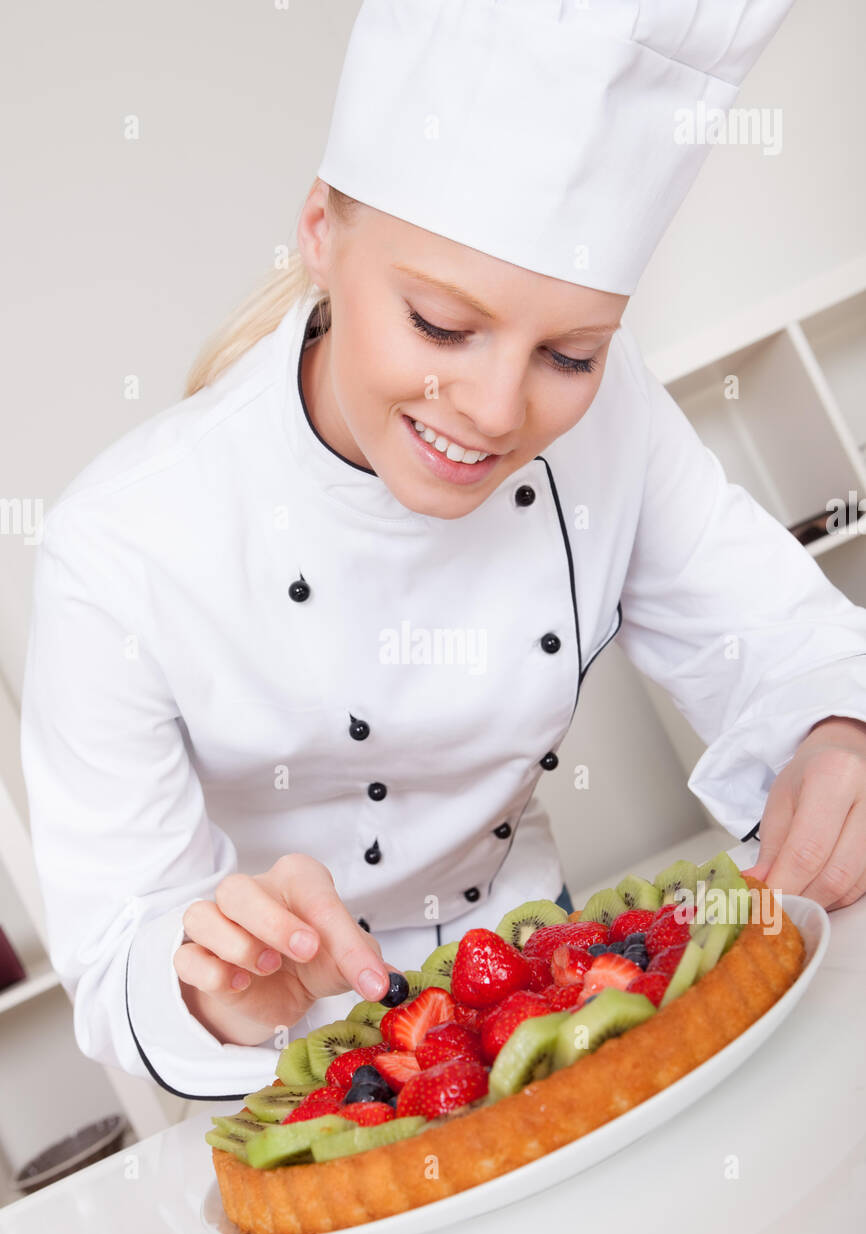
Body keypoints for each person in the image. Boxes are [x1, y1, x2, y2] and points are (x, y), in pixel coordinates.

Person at [20, 0, 866, 1100]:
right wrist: (213, 985)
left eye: (567, 352)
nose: (494, 410)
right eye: (439, 326)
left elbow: (778, 641)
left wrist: (833, 732)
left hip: (542, 992)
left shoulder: (614, 428)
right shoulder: (117, 547)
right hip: (302, 1067)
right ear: (320, 230)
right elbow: (116, 942)